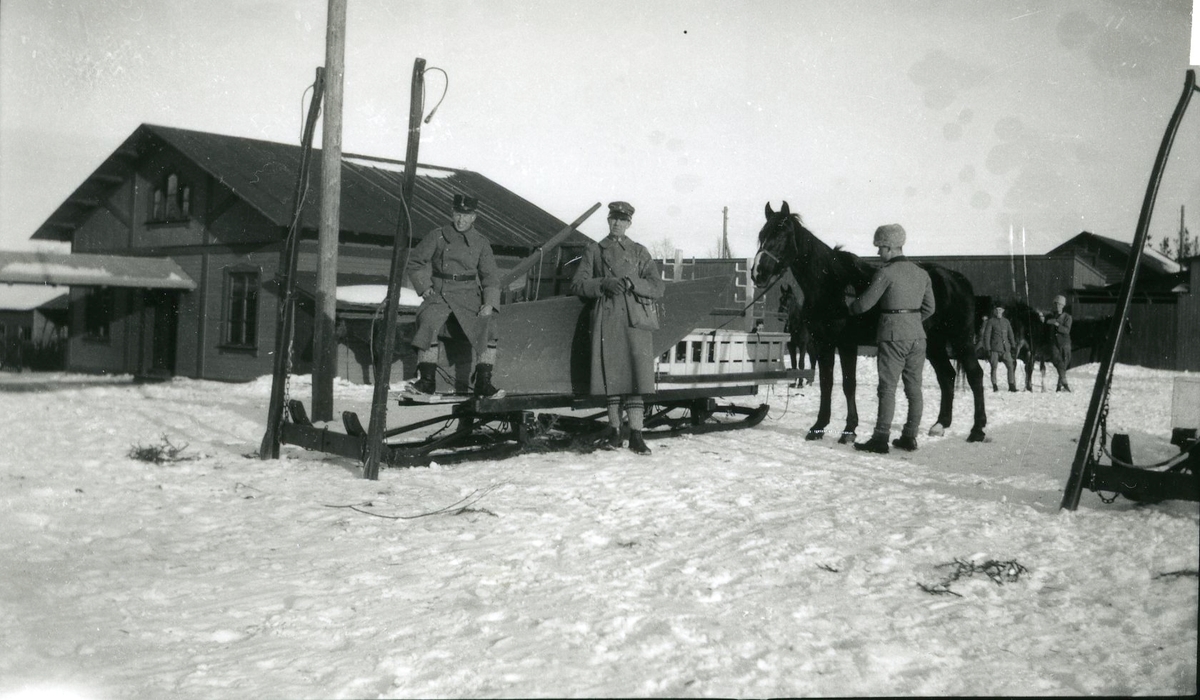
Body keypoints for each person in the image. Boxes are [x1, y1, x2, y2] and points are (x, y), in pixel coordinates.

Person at [570, 201, 665, 455]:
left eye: (622, 220)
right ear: (608, 220)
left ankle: (636, 435)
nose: (617, 224)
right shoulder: (595, 250)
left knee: (636, 377)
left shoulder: (639, 252)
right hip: (608, 318)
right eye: (613, 219)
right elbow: (577, 284)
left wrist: (633, 283)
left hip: (635, 321)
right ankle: (614, 431)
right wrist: (604, 283)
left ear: (629, 223)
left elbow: (658, 286)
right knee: (611, 377)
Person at [846, 223, 935, 454]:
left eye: (880, 247)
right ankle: (909, 437)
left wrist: (849, 308)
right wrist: (911, 321)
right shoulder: (922, 273)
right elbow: (930, 308)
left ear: (889, 247)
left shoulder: (885, 273)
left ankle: (880, 438)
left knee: (887, 388)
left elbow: (865, 304)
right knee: (914, 388)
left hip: (892, 336)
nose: (878, 252)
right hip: (918, 336)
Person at [406, 194, 502, 398]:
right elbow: (415, 262)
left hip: (469, 295)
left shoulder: (481, 242)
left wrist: (489, 303)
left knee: (489, 325)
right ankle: (426, 382)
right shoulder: (438, 236)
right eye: (458, 214)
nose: (461, 220)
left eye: (466, 216)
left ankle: (483, 384)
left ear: (474, 217)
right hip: (440, 293)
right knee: (428, 321)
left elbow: (491, 277)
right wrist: (424, 287)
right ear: (452, 213)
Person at [981, 303, 1018, 392]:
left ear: (1003, 311)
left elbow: (1011, 335)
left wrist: (1013, 346)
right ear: (994, 311)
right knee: (994, 367)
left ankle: (1011, 385)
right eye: (997, 310)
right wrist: (988, 349)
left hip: (1005, 349)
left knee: (1011, 366)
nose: (998, 312)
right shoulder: (991, 321)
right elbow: (987, 336)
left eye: (1000, 310)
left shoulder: (1006, 322)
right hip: (995, 349)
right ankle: (994, 385)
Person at [1046, 294, 1073, 392]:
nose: (1057, 306)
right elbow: (1047, 322)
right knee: (1058, 362)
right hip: (1054, 343)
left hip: (1065, 344)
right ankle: (1065, 384)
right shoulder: (1051, 316)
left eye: (1059, 304)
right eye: (1056, 304)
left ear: (1063, 306)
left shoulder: (1067, 317)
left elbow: (1067, 330)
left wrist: (1057, 324)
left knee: (1064, 364)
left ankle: (1059, 386)